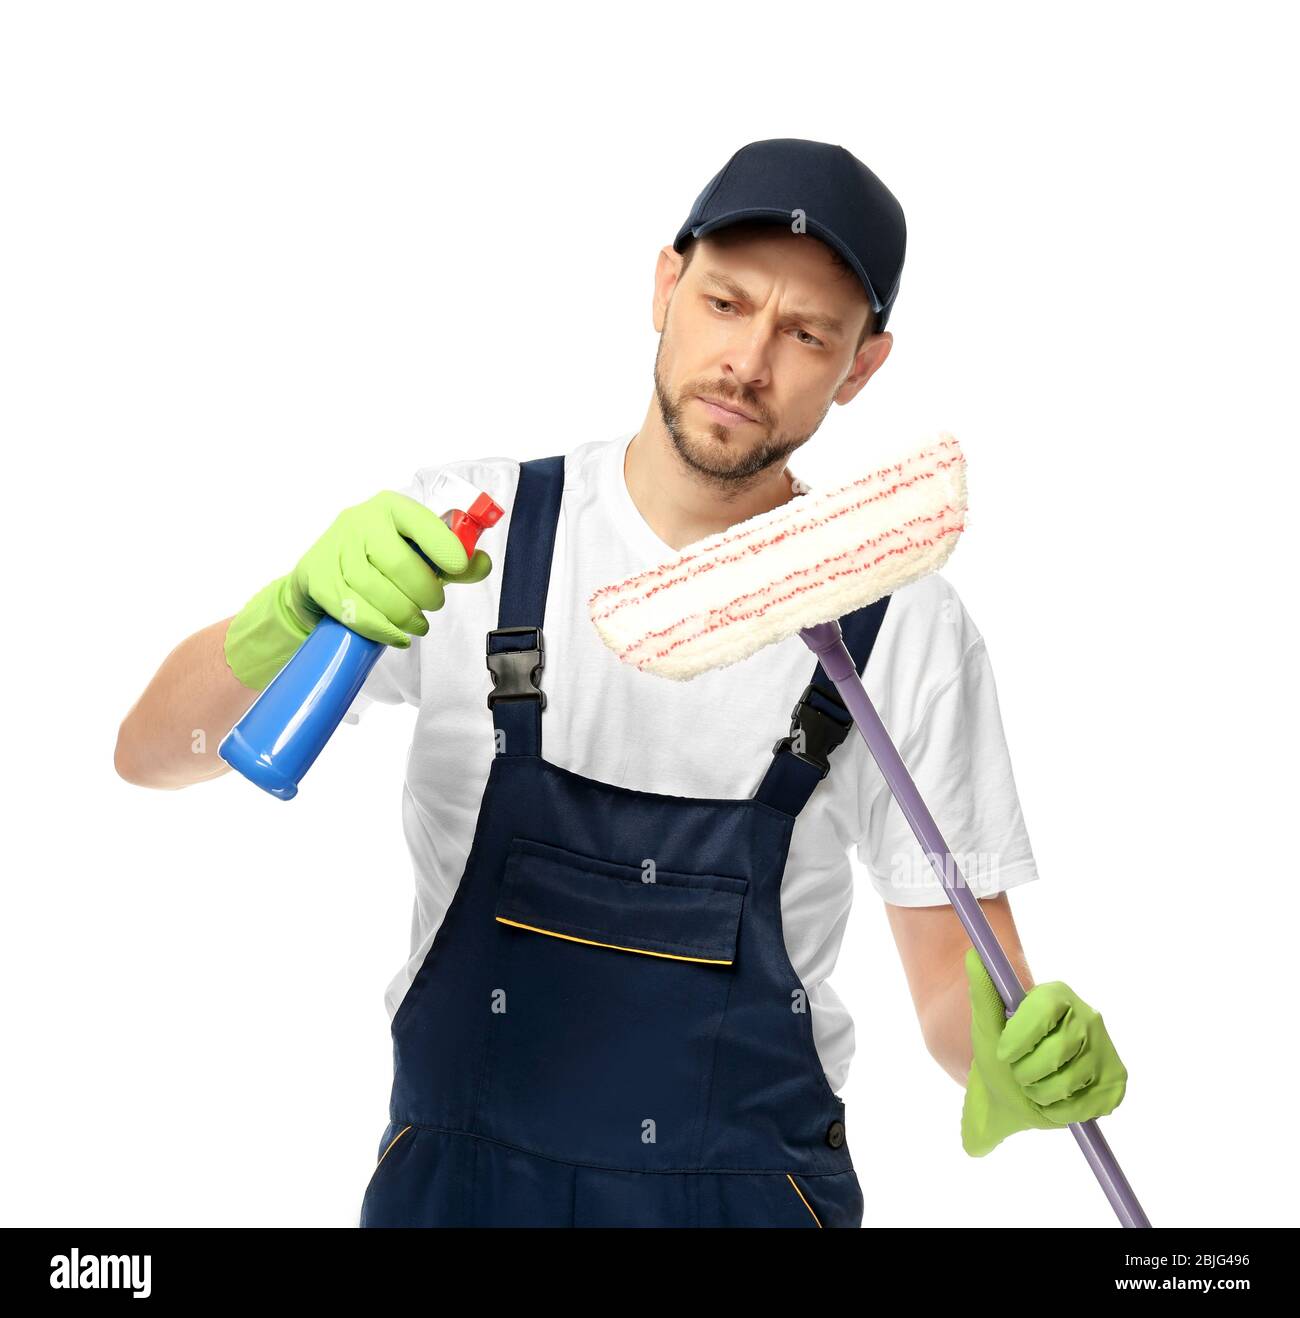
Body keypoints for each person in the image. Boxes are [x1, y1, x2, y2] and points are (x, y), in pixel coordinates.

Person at [114, 139, 1127, 1228]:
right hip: (459, 1192)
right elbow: (152, 755)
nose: (747, 361)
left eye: (805, 333)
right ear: (665, 285)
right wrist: (293, 611)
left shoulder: (900, 623)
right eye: (727, 302)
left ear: (862, 365)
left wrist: (1015, 1057)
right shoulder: (468, 539)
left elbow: (955, 984)